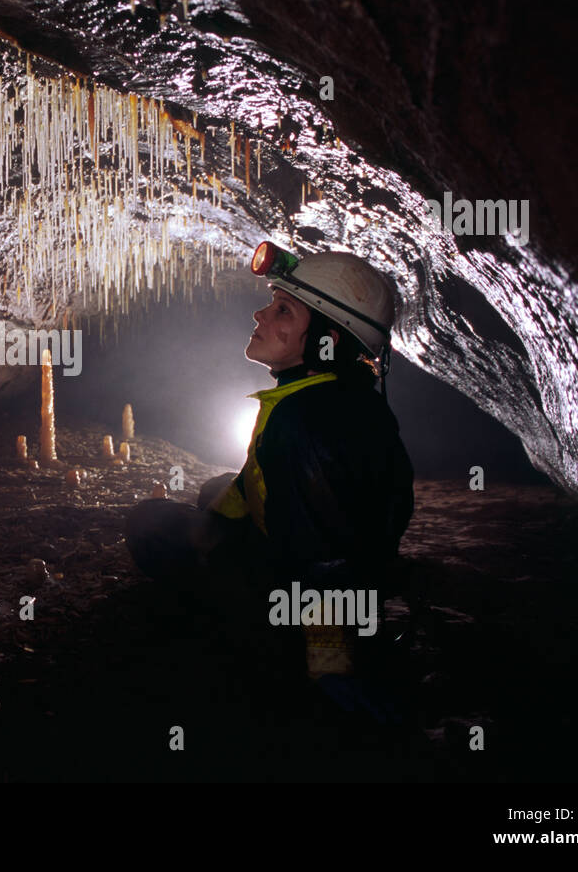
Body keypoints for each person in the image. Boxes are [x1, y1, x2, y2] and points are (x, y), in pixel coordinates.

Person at [125, 243, 415, 716]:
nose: (260, 314)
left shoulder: (305, 424)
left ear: (327, 339)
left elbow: (329, 560)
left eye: (283, 310)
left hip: (289, 598)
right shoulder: (333, 399)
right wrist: (215, 512)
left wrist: (328, 662)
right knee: (213, 489)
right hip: (332, 565)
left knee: (148, 522)